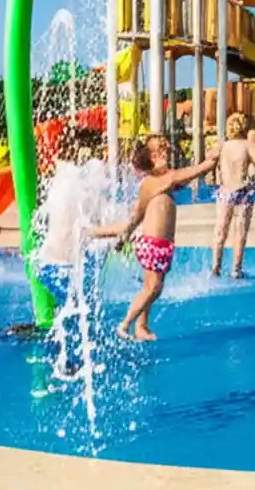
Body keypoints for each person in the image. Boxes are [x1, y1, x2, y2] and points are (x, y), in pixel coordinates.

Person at [93, 139, 220, 342]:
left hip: (161, 245)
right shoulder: (155, 180)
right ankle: (125, 324)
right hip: (153, 244)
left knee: (154, 287)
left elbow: (136, 217)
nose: (165, 153)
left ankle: (141, 326)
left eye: (165, 150)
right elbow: (185, 174)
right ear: (150, 160)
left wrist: (124, 236)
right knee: (151, 288)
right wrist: (209, 163)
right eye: (159, 152)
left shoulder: (160, 182)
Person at [210, 112, 255, 278]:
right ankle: (236, 268)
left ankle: (215, 267)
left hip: (225, 192)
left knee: (220, 230)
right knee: (239, 232)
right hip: (243, 191)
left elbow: (209, 162)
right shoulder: (248, 145)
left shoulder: (222, 146)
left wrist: (214, 174)